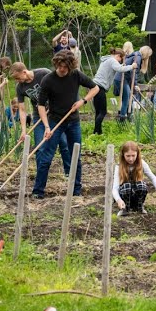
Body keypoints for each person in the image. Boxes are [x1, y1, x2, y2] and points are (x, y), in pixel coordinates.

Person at [32, 49, 99, 199]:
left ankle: (76, 191)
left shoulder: (76, 75)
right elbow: (41, 105)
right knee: (46, 156)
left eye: (65, 67)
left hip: (73, 122)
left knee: (75, 155)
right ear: (56, 64)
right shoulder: (48, 80)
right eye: (59, 66)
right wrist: (47, 126)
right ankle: (38, 191)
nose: (62, 69)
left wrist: (82, 101)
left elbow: (95, 88)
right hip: (55, 121)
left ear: (70, 66)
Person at [112, 141, 156, 216]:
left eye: (133, 155)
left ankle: (139, 207)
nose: (131, 159)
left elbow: (153, 178)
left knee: (141, 185)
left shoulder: (141, 163)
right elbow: (115, 188)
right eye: (128, 156)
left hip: (136, 194)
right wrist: (118, 200)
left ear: (137, 154)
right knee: (126, 186)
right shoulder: (119, 166)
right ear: (123, 155)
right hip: (124, 195)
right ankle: (124, 209)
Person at [90, 48, 136, 135]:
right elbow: (119, 69)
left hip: (95, 86)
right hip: (100, 87)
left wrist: (122, 65)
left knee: (98, 111)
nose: (120, 61)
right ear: (118, 56)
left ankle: (97, 132)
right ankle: (96, 132)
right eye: (120, 59)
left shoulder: (107, 59)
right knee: (103, 111)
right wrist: (131, 66)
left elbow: (118, 67)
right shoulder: (112, 60)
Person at [9, 61, 52, 134]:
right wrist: (23, 130)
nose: (16, 81)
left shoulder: (43, 73)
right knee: (40, 140)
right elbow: (22, 110)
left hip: (54, 113)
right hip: (38, 115)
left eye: (17, 78)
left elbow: (59, 86)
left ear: (24, 72)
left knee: (59, 139)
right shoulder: (20, 87)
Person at [114, 42, 141, 121]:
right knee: (127, 98)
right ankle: (122, 116)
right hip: (121, 79)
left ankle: (126, 115)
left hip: (119, 78)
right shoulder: (132, 57)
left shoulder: (127, 57)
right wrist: (135, 84)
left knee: (126, 98)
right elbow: (133, 72)